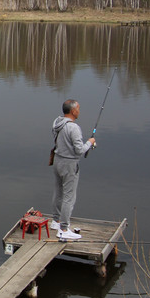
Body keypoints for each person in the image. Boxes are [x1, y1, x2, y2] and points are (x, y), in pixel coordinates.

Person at [50, 99, 95, 241]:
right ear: (73, 111)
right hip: (69, 165)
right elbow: (79, 150)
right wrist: (90, 142)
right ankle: (63, 229)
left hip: (57, 161)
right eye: (78, 108)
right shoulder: (73, 127)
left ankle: (55, 221)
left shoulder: (57, 122)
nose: (79, 111)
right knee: (69, 197)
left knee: (58, 192)